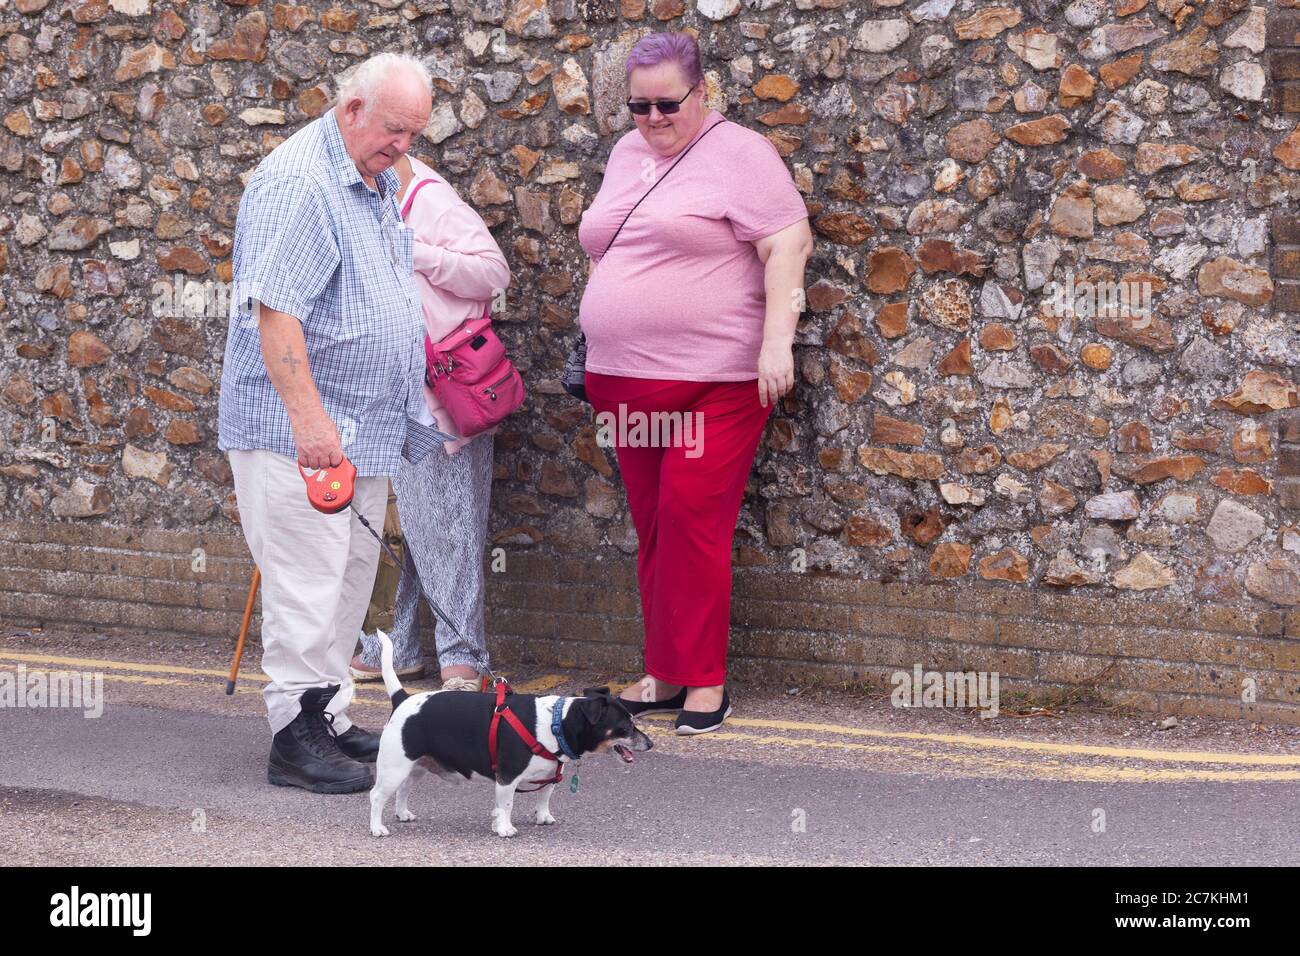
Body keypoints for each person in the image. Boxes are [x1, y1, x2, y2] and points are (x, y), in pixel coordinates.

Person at [576, 32, 813, 735]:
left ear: (702, 93)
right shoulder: (625, 155)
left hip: (715, 381)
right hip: (621, 380)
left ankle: (705, 679)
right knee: (652, 526)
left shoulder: (741, 154)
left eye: (666, 104)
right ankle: (664, 671)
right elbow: (607, 246)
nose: (651, 119)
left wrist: (778, 342)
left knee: (691, 521)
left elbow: (788, 246)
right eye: (638, 106)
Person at [217, 53, 438, 793]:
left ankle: (330, 715)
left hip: (361, 430)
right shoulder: (298, 182)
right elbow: (275, 311)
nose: (405, 146)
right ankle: (294, 736)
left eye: (415, 134)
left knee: (345, 580)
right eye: (396, 130)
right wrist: (310, 423)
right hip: (303, 433)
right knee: (305, 582)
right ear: (352, 110)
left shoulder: (372, 175)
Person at [349, 150, 510, 691]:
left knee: (449, 525)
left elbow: (493, 273)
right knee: (401, 522)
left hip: (440, 395)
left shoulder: (430, 200)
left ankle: (463, 658)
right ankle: (393, 648)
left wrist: (413, 251)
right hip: (386, 392)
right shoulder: (358, 204)